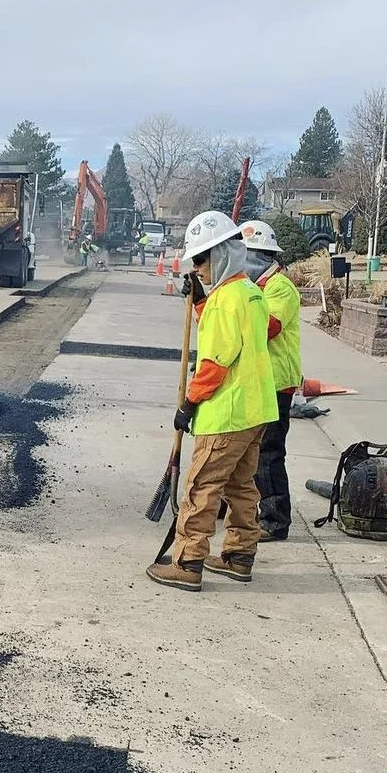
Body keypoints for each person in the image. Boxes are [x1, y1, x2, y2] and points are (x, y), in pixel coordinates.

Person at [147, 211, 278, 592]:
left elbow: (215, 362)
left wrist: (188, 403)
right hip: (256, 411)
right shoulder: (250, 292)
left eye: (202, 260)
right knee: (241, 486)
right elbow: (235, 334)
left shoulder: (225, 300)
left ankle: (187, 562)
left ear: (222, 255)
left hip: (228, 412)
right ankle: (239, 556)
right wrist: (203, 301)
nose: (197, 268)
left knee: (202, 487)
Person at [241, 220, 302, 542]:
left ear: (261, 257)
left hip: (276, 382)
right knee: (244, 450)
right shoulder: (251, 288)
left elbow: (268, 328)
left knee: (268, 452)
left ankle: (275, 520)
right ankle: (240, 507)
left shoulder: (279, 287)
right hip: (254, 379)